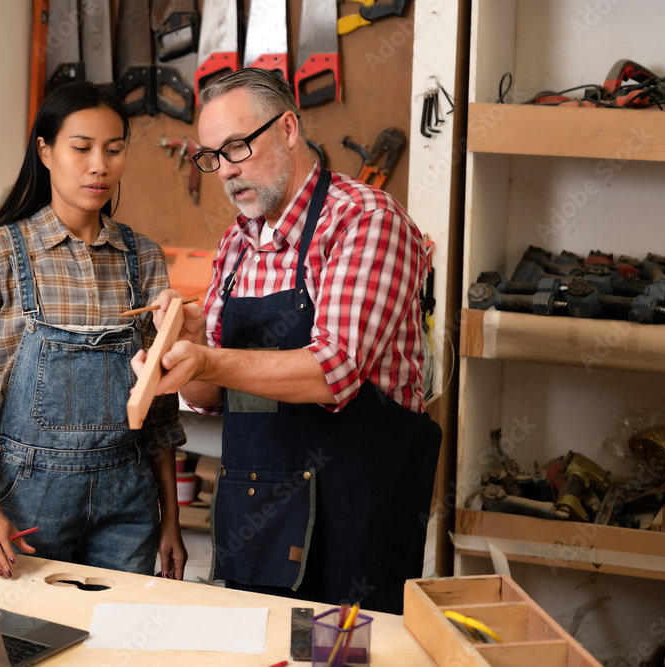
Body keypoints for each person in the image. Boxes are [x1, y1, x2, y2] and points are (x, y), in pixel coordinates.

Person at [135, 68, 441, 614]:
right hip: (259, 520)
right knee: (259, 648)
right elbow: (210, 398)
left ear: (288, 129)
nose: (226, 171)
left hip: (354, 519)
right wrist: (188, 346)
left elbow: (333, 371)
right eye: (212, 157)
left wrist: (207, 357)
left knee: (344, 652)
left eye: (237, 147)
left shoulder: (364, 221)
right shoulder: (236, 245)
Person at [0, 82, 187, 582]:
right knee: (29, 628)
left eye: (113, 150)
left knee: (117, 629)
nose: (100, 166)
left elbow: (158, 407)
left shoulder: (145, 258)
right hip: (27, 504)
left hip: (128, 503)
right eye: (81, 148)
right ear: (45, 151)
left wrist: (170, 518)